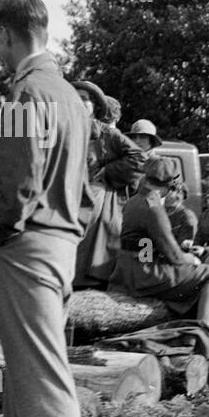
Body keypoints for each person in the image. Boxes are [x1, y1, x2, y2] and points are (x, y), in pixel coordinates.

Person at [0, 0, 91, 417]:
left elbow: (19, 187)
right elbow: (88, 194)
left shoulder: (27, 97)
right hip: (60, 242)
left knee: (42, 367)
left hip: (26, 244)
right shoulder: (71, 96)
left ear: (6, 33)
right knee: (28, 364)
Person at [111, 160, 209, 324]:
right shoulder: (154, 209)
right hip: (144, 275)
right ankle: (201, 331)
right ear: (169, 184)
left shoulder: (133, 201)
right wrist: (192, 260)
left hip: (128, 269)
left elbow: (144, 245)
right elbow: (176, 258)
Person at [72, 81, 145, 288]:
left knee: (89, 271)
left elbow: (139, 159)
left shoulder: (107, 135)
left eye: (85, 99)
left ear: (94, 105)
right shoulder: (62, 131)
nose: (79, 102)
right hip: (67, 206)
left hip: (95, 212)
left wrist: (108, 172)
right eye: (75, 97)